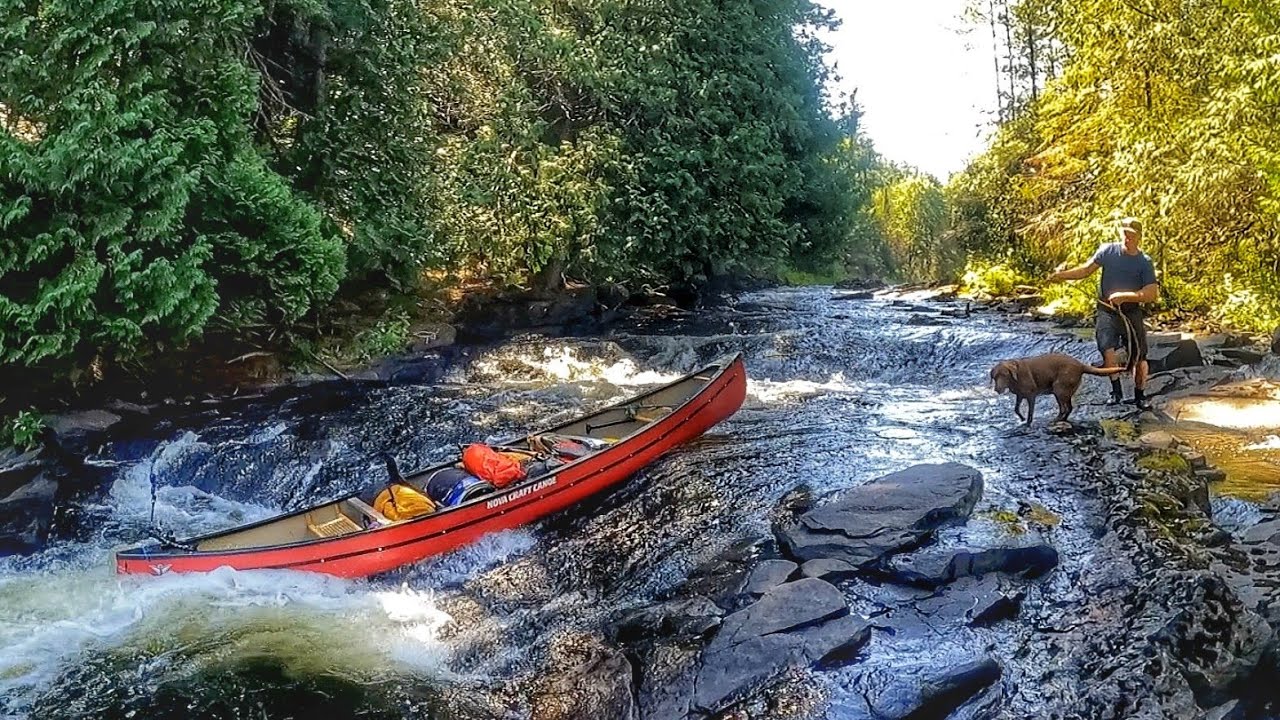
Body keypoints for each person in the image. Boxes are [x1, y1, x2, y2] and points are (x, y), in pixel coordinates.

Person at [1046, 217, 1159, 409]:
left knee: (1139, 357)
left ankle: (1140, 395)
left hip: (1131, 313)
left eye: (1131, 235)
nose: (1127, 238)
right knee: (1107, 349)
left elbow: (1151, 294)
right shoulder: (1108, 251)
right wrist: (1061, 276)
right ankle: (1116, 392)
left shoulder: (1144, 262)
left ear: (1139, 237)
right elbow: (1085, 270)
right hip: (1106, 311)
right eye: (1124, 234)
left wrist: (1126, 296)